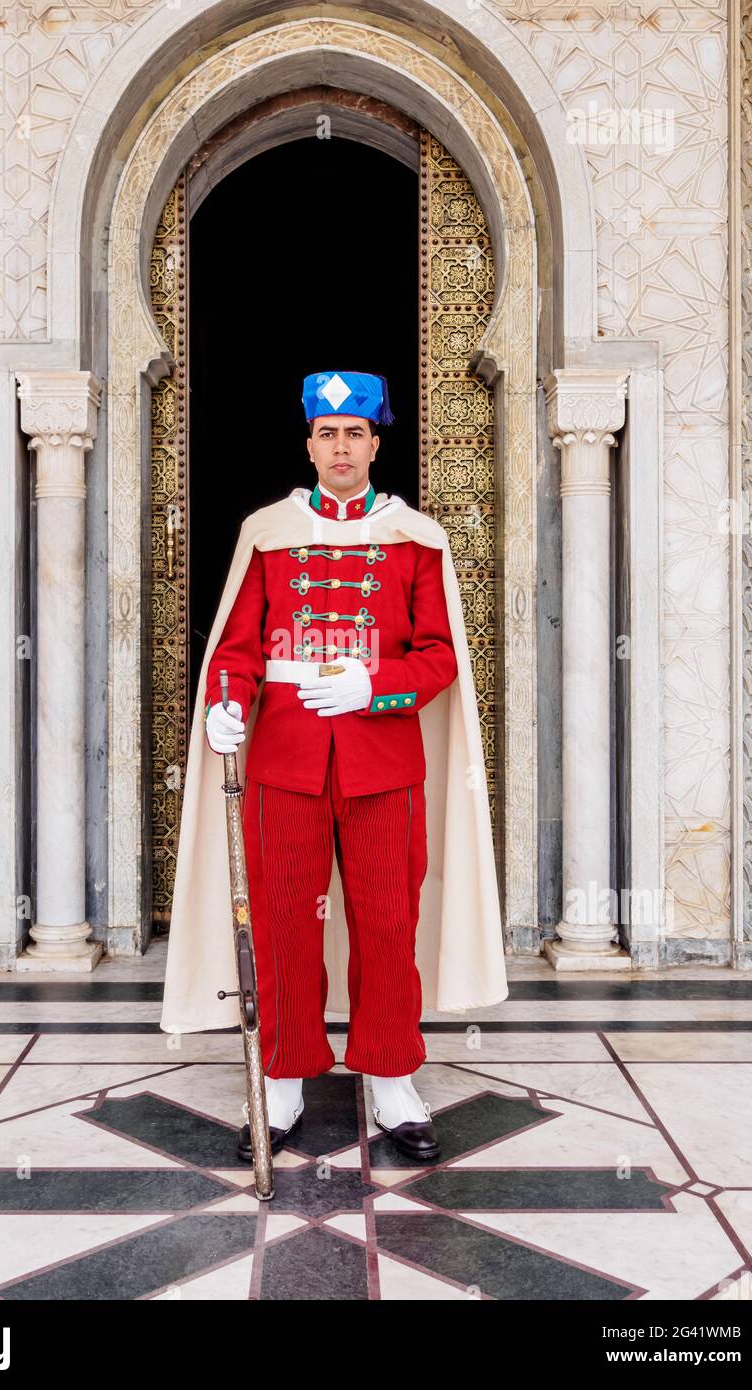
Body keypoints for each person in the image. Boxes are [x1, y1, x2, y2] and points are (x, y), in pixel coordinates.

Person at [159, 369, 508, 1164]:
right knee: (282, 928)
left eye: (355, 434)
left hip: (383, 763)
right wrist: (226, 702)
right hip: (283, 762)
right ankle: (283, 1081)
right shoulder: (266, 531)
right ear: (309, 443)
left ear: (376, 444)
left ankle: (391, 1079)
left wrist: (375, 686)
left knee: (389, 926)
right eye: (327, 433)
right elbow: (237, 649)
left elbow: (439, 656)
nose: (341, 446)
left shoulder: (416, 538)